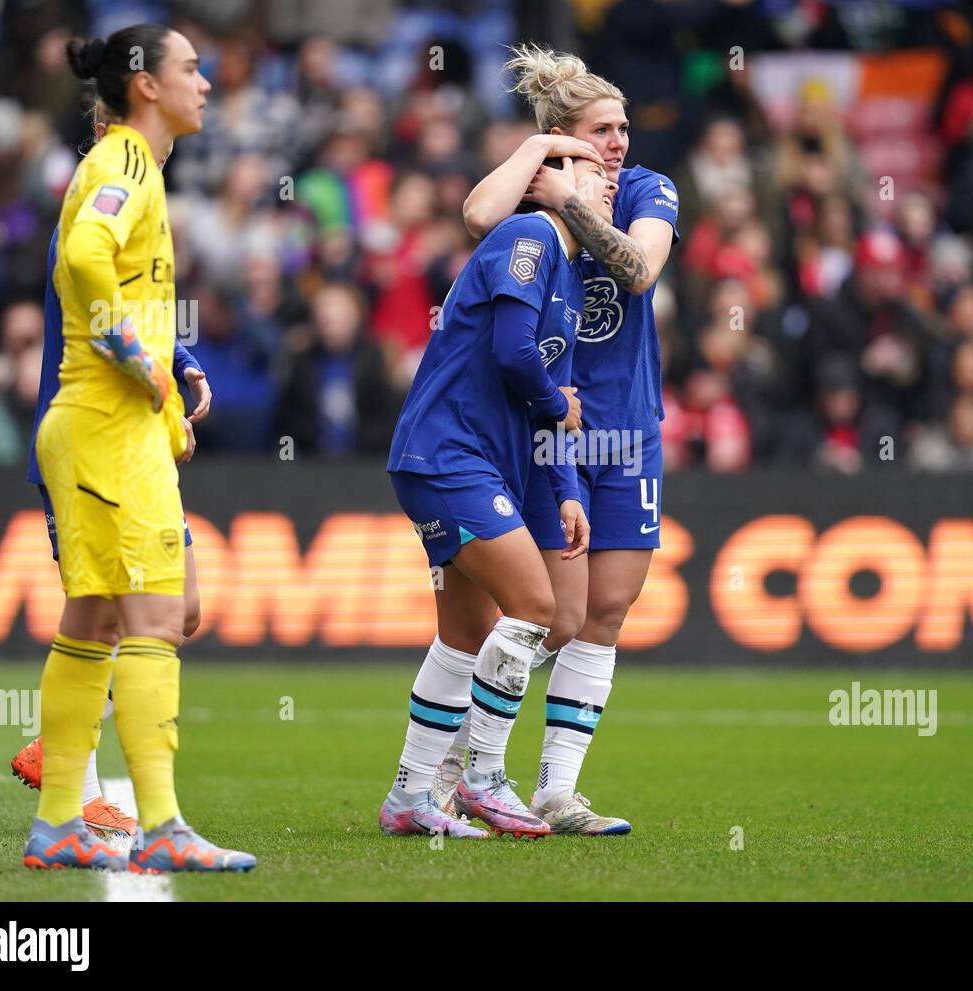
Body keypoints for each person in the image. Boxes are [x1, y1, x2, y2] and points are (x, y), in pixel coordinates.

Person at [24, 24, 253, 872]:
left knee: (92, 623)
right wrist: (128, 352)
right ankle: (161, 826)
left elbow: (100, 266)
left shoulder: (131, 167)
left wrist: (166, 364)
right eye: (191, 67)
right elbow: (83, 252)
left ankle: (56, 825)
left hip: (95, 423)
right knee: (157, 618)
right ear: (146, 84)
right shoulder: (125, 162)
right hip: (106, 425)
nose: (206, 78)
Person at [439, 44, 680, 835]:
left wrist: (576, 201)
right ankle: (462, 765)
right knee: (554, 616)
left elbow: (640, 271)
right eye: (601, 131)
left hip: (631, 430)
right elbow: (477, 214)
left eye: (623, 129)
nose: (619, 144)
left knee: (608, 610)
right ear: (563, 139)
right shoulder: (534, 205)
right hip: (551, 426)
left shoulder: (646, 188)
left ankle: (556, 791)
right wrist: (541, 163)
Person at [380, 153, 614, 838]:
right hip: (448, 453)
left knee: (462, 635)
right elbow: (518, 357)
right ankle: (483, 777)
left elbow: (555, 407)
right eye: (597, 169)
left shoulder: (567, 272)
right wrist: (556, 400)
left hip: (469, 460)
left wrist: (567, 491)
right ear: (554, 176)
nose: (612, 183)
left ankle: (409, 796)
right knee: (537, 605)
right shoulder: (531, 237)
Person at [8, 97, 213, 840]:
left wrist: (178, 362)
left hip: (131, 435)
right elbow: (88, 299)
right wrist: (149, 374)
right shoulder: (111, 177)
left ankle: (64, 770)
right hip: (94, 432)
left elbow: (130, 306)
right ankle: (84, 783)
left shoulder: (142, 196)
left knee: (171, 609)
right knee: (117, 613)